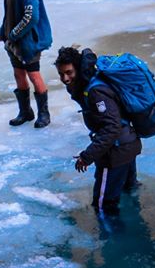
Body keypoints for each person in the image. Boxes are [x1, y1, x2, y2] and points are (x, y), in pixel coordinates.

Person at [54, 46, 141, 215]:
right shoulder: (90, 83)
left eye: (69, 72)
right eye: (61, 74)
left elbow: (111, 127)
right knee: (129, 191)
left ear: (78, 68)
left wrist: (87, 157)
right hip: (128, 144)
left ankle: (114, 239)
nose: (65, 78)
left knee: (103, 206)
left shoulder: (95, 91)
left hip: (115, 152)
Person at [0, 0, 53, 128]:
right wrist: (3, 31)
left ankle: (44, 113)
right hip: (13, 42)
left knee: (34, 75)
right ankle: (25, 111)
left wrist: (13, 34)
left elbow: (31, 16)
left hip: (29, 43)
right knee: (18, 74)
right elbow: (9, 13)